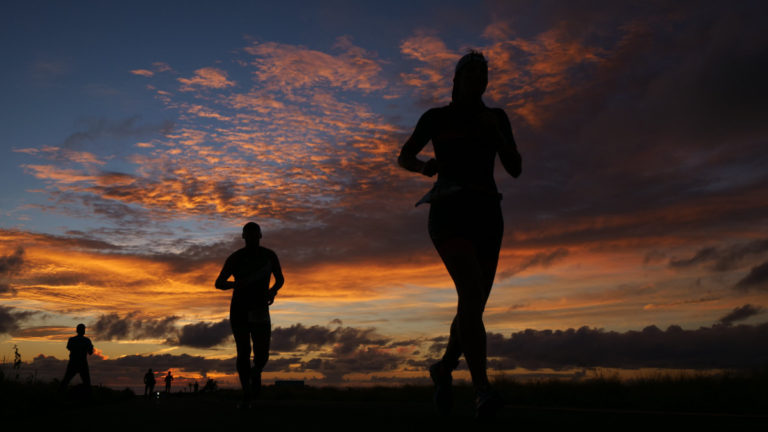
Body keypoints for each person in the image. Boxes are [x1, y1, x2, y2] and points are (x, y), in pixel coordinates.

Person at [398, 51, 522, 418]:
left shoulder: (496, 117)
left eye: (484, 77)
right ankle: (482, 390)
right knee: (470, 293)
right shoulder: (436, 118)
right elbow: (404, 155)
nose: (479, 83)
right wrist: (423, 167)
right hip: (448, 212)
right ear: (456, 81)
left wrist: (498, 136)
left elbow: (515, 168)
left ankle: (443, 367)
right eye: (472, 76)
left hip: (487, 214)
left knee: (473, 305)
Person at [216, 222, 284, 406]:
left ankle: (255, 373)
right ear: (243, 237)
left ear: (260, 236)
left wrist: (272, 291)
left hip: (260, 308)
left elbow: (280, 279)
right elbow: (219, 283)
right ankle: (247, 392)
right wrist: (236, 284)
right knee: (243, 351)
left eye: (255, 235)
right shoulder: (236, 257)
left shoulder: (269, 256)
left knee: (262, 353)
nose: (252, 238)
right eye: (249, 235)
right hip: (239, 309)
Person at [59, 323, 95, 395]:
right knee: (86, 382)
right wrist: (89, 348)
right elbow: (90, 352)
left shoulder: (72, 340)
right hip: (82, 363)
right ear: (83, 331)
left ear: (77, 330)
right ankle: (89, 399)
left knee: (66, 380)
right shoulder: (86, 340)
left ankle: (59, 395)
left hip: (73, 362)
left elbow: (69, 348)